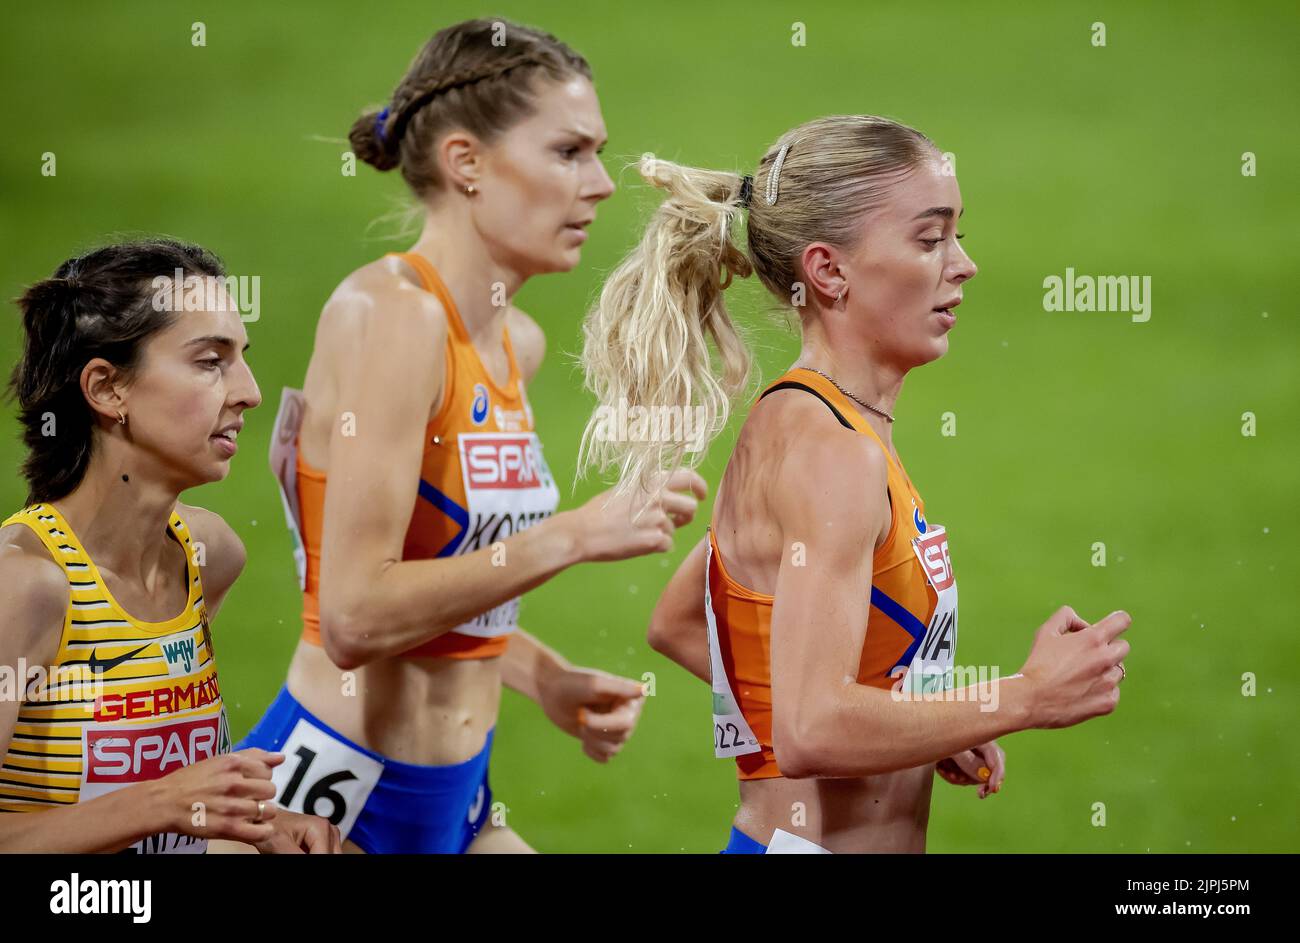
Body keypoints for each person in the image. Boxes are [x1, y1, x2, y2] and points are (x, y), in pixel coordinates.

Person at [579, 115, 1131, 853]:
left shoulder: (810, 423)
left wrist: (909, 725)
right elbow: (810, 729)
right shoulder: (832, 454)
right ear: (829, 271)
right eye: (930, 239)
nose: (963, 265)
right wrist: (1020, 698)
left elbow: (682, 619)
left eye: (957, 235)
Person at [238, 18, 705, 853]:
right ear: (467, 164)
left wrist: (536, 672)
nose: (600, 184)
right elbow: (350, 614)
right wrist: (570, 535)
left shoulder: (511, 342)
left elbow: (436, 573)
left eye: (597, 152)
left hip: (455, 801)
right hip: (324, 805)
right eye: (569, 152)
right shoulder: (391, 316)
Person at [0, 239, 339, 853]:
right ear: (107, 389)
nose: (250, 391)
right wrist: (162, 802)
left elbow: (160, 802)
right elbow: (155, 801)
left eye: (241, 358)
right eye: (210, 361)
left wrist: (256, 823)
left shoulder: (207, 555)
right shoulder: (24, 587)